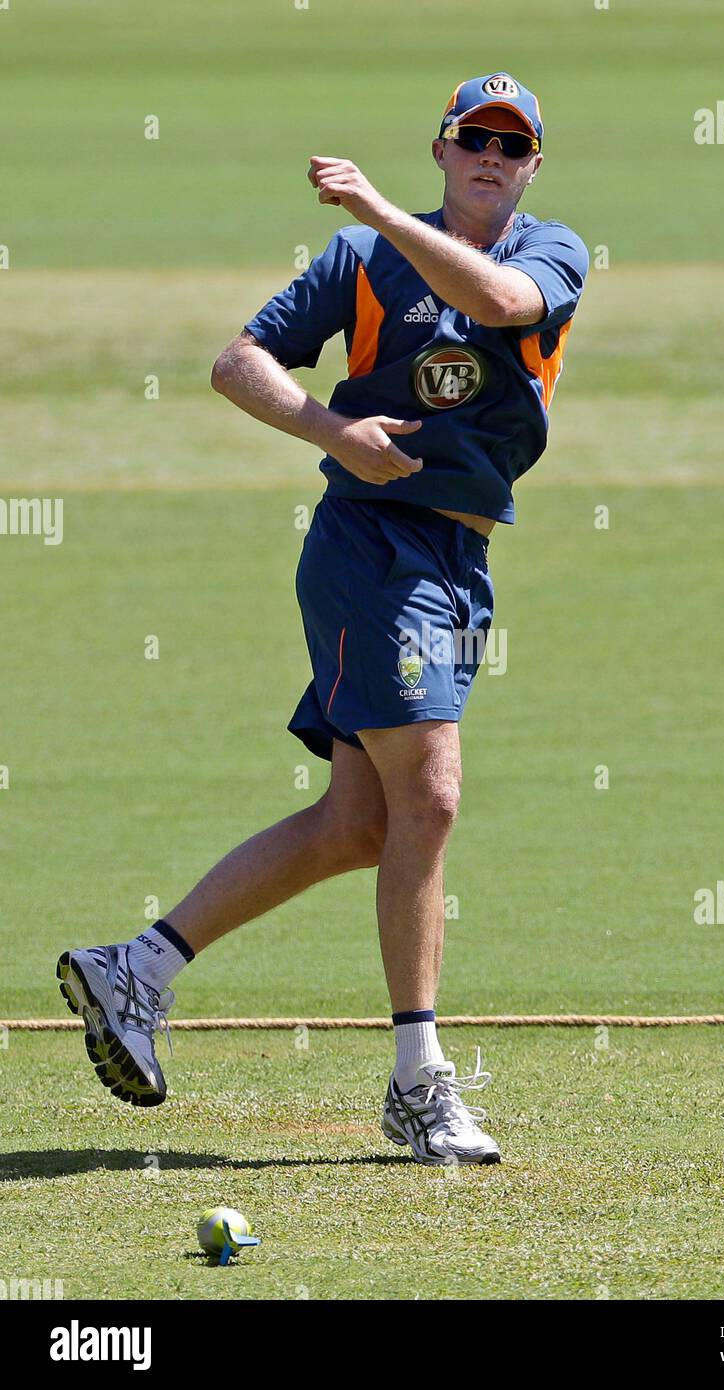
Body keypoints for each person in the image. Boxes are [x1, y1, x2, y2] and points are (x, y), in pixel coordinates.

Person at [57, 72, 588, 1166]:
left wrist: (382, 210)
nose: (491, 154)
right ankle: (417, 1079)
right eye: (473, 137)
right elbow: (234, 362)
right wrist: (330, 429)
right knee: (430, 798)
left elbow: (496, 305)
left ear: (531, 165)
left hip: (456, 559)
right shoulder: (356, 264)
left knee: (360, 825)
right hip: (372, 549)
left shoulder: (553, 251)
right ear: (441, 149)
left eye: (512, 143)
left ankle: (136, 969)